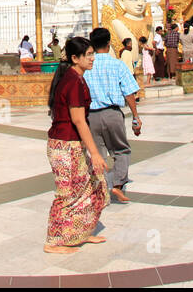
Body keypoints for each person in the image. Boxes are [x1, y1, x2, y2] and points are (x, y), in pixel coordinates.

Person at [44, 35, 108, 253]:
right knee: (66, 193)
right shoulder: (73, 82)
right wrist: (95, 153)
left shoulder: (76, 78)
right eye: (88, 55)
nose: (92, 59)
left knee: (91, 186)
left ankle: (79, 232)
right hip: (64, 145)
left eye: (92, 54)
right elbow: (79, 120)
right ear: (74, 58)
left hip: (71, 144)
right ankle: (54, 241)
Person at [85, 27, 142, 204]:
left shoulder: (86, 66)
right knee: (121, 150)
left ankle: (102, 191)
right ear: (109, 42)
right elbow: (129, 93)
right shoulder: (117, 65)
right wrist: (135, 117)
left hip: (92, 116)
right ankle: (117, 185)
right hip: (113, 114)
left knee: (98, 154)